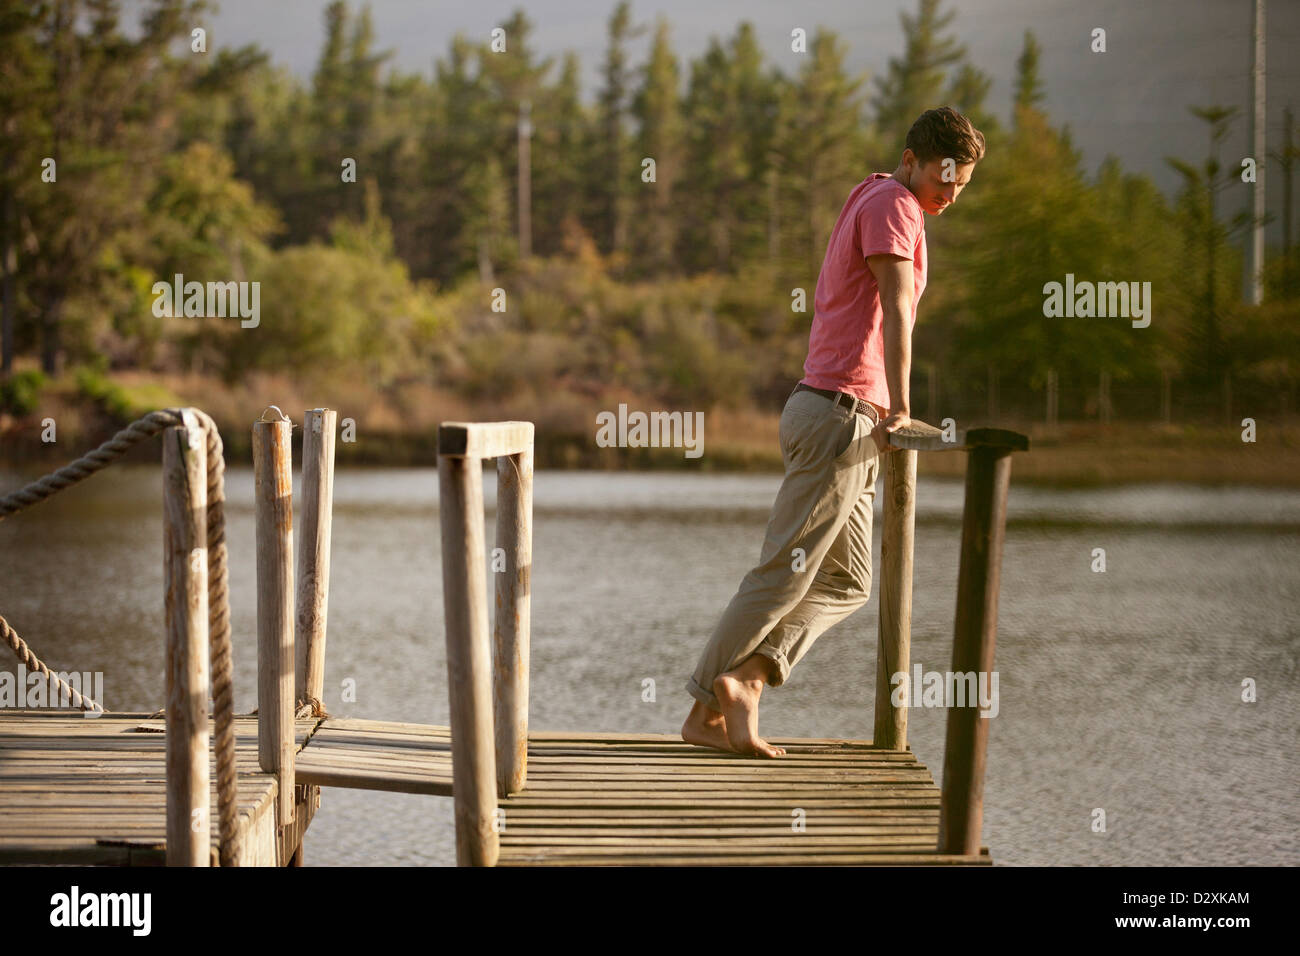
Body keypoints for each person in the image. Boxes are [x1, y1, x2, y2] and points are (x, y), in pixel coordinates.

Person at [681, 106, 986, 758]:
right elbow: (898, 306)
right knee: (783, 574)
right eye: (944, 177)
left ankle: (745, 682)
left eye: (961, 186)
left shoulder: (881, 197)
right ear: (912, 159)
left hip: (850, 420)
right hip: (839, 418)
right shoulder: (895, 204)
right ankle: (705, 705)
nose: (950, 194)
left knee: (847, 581)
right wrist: (903, 403)